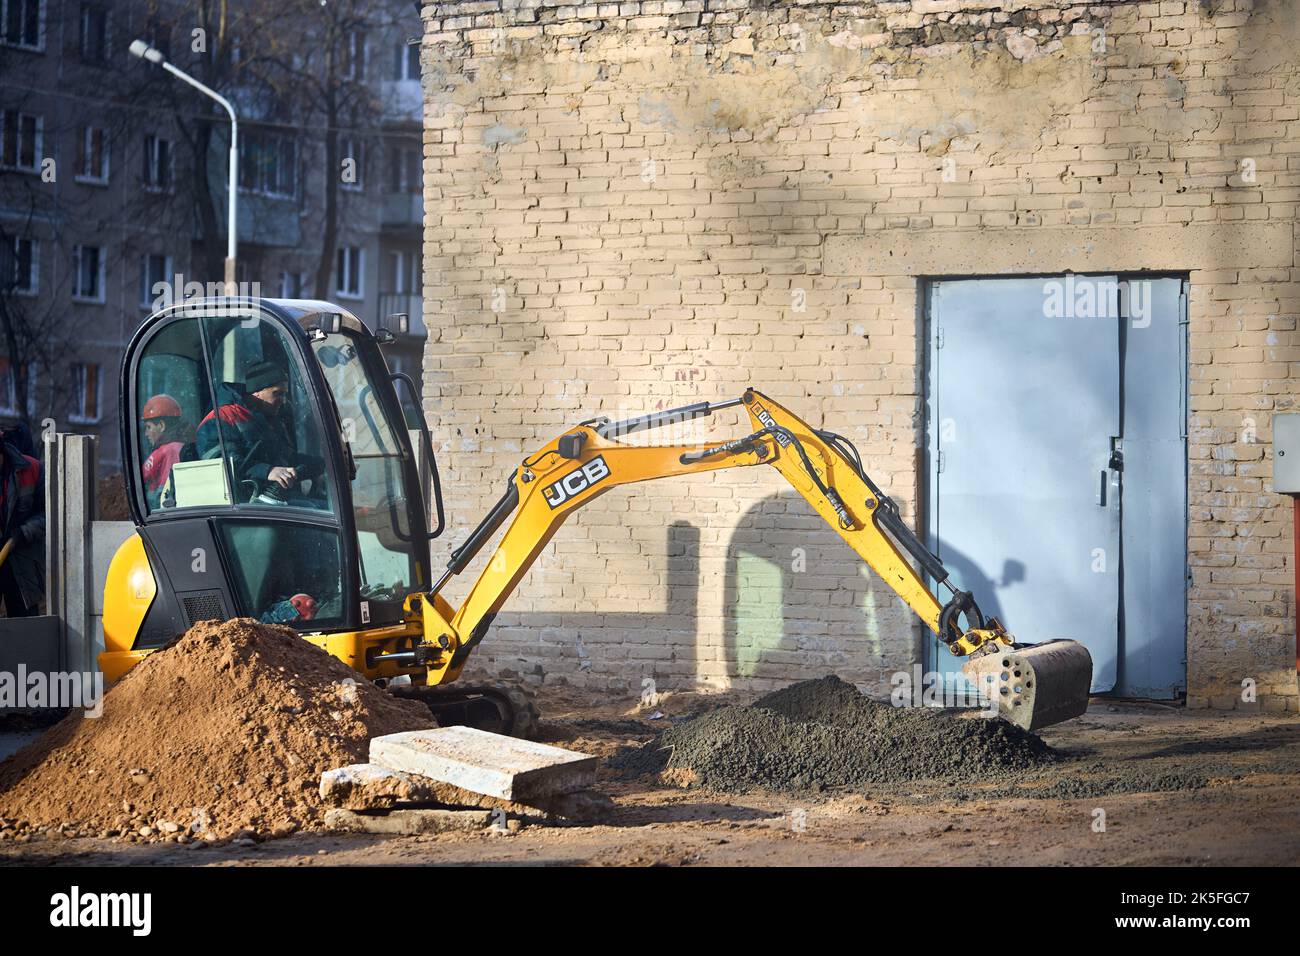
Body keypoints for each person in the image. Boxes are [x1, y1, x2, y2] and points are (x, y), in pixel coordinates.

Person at [195, 359, 323, 501]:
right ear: (256, 393)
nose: (284, 400)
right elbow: (220, 464)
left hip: (273, 499)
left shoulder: (268, 419)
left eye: (285, 394)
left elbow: (285, 457)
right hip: (241, 505)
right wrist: (268, 471)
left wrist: (319, 466)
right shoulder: (221, 418)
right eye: (277, 393)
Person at [0, 428, 45, 616]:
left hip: (22, 563)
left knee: (26, 628)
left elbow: (49, 513)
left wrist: (23, 533)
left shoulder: (32, 469)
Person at [140, 394, 187, 509]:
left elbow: (141, 477)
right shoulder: (184, 446)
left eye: (149, 427)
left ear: (161, 426)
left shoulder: (163, 451)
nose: (146, 433)